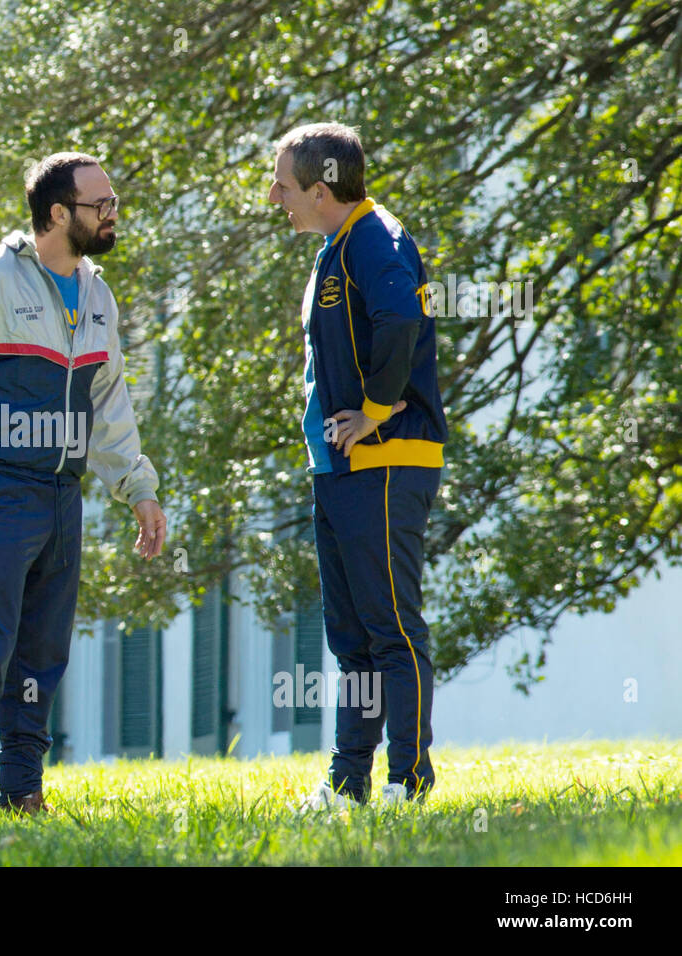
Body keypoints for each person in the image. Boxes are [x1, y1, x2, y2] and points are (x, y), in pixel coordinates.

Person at [0, 152, 167, 818]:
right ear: (57, 213)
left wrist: (139, 489)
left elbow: (109, 410)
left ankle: (23, 790)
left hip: (61, 498)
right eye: (99, 205)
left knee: (42, 658)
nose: (112, 215)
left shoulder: (100, 296)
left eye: (113, 203)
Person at [267, 123, 449, 807]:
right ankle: (348, 785)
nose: (275, 196)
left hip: (386, 462)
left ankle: (409, 781)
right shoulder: (332, 247)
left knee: (393, 629)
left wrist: (376, 408)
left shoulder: (378, 238)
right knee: (352, 640)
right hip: (340, 470)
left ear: (322, 188)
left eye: (284, 184)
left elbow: (401, 318)